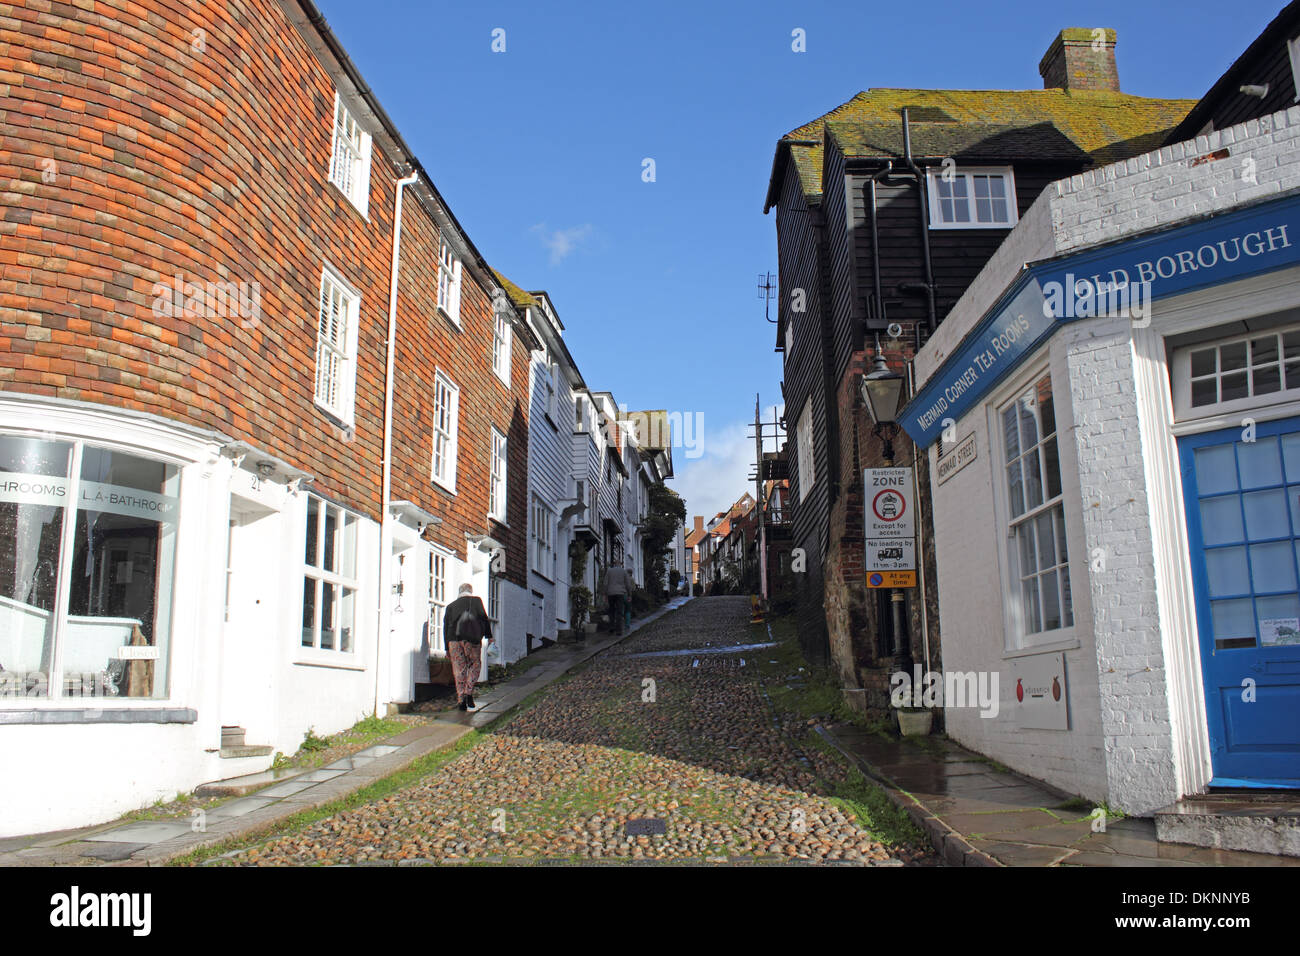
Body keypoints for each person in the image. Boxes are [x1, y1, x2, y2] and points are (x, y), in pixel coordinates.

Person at [443, 583, 494, 710]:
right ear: (471, 591)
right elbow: (484, 618)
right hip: (472, 640)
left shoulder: (450, 606)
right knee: (475, 665)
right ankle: (468, 692)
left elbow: (446, 627)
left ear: (459, 592)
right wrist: (489, 636)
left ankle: (461, 700)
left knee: (458, 669)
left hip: (453, 641)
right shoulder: (476, 601)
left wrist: (446, 648)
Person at [602, 560, 631, 635]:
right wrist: (629, 595)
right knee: (619, 611)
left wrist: (604, 594)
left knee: (611, 610)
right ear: (620, 564)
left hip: (610, 593)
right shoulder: (624, 571)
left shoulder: (609, 571)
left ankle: (611, 627)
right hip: (620, 593)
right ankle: (618, 630)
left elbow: (605, 583)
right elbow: (628, 584)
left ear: (614, 564)